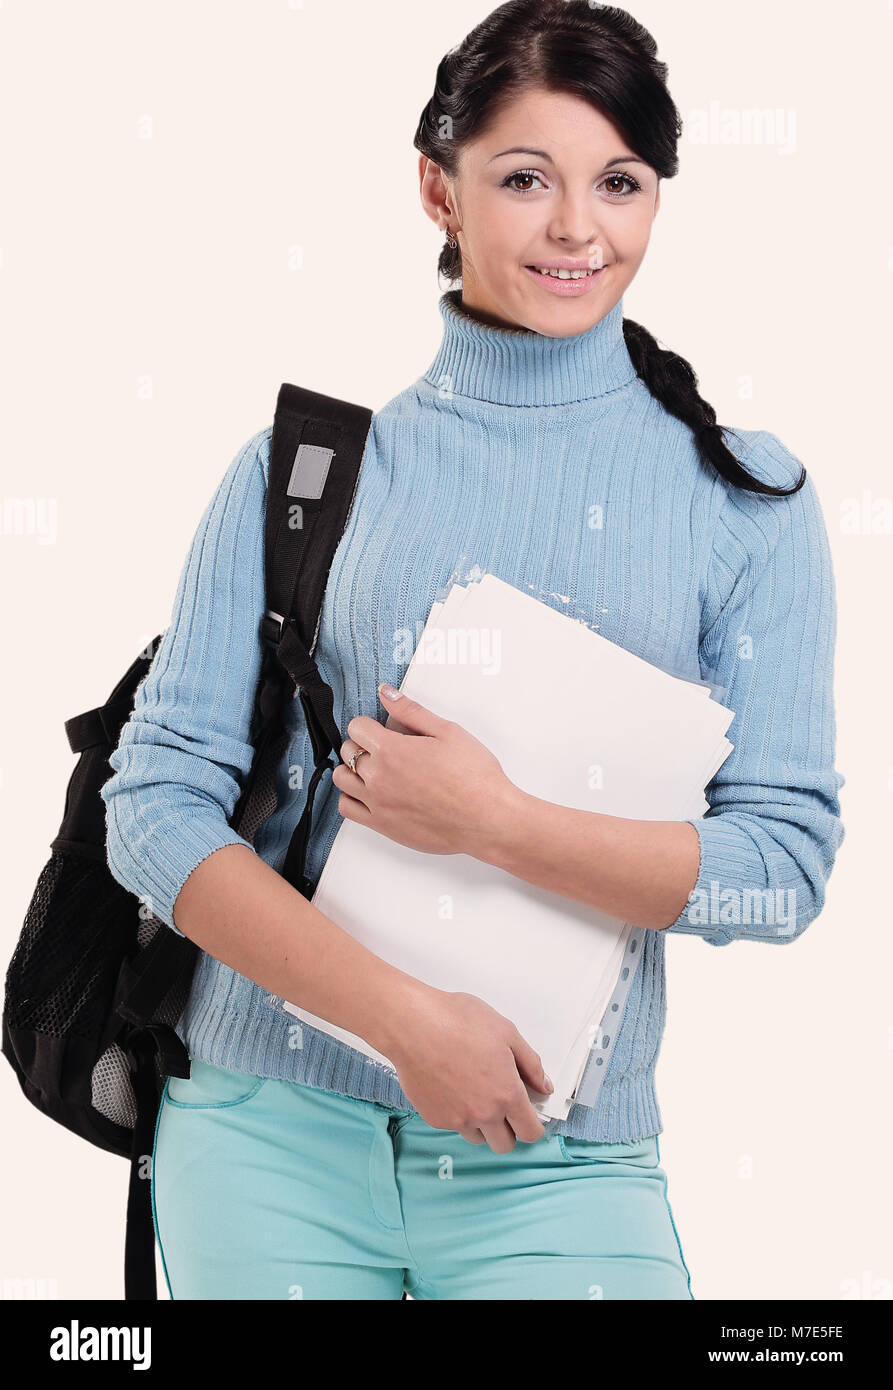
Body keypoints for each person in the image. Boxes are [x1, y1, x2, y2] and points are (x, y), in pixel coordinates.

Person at [101, 0, 845, 1300]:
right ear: (437, 190)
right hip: (261, 1134)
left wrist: (495, 820)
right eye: (523, 179)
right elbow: (155, 807)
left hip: (553, 1153)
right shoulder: (306, 472)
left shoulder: (745, 498)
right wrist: (405, 1022)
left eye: (616, 181)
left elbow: (774, 874)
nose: (576, 228)